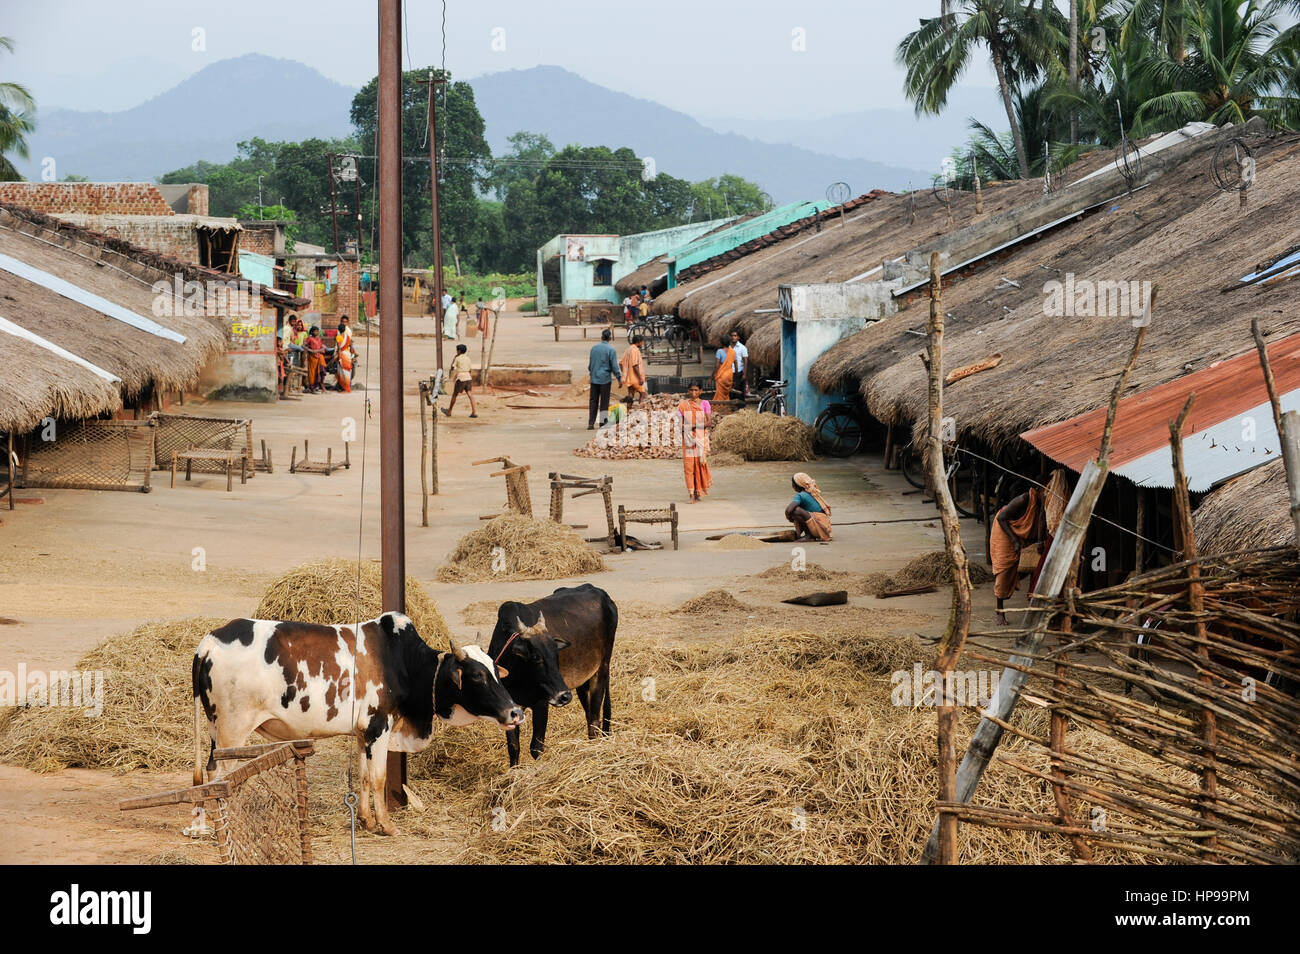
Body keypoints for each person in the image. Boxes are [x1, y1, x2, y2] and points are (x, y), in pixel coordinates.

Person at [991, 483, 1046, 624]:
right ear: (1038, 489)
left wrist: (1039, 542)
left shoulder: (1044, 504)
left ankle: (1032, 603)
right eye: (1045, 491)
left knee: (1030, 567)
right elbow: (1001, 518)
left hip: (1020, 533)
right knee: (1004, 568)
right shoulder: (1024, 499)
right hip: (1004, 530)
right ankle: (1000, 612)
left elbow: (1041, 522)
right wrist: (1014, 540)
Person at [677, 383, 713, 502]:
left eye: (696, 390)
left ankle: (698, 492)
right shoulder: (683, 405)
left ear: (700, 391)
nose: (693, 393)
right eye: (691, 390)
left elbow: (708, 423)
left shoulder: (705, 404)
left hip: (701, 439)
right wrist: (688, 428)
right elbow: (679, 424)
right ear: (688, 391)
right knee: (689, 467)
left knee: (699, 465)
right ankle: (691, 494)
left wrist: (693, 426)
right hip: (688, 440)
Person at [587, 328, 622, 429]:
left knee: (593, 401)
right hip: (605, 380)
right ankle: (602, 422)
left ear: (601, 337)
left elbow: (590, 365)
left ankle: (591, 423)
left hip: (594, 379)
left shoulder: (594, 348)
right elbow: (615, 366)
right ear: (610, 338)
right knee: (604, 401)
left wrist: (593, 373)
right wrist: (619, 378)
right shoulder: (611, 350)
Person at [786, 473, 832, 541]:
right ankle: (807, 535)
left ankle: (809, 535)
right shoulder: (813, 492)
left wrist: (789, 517)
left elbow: (789, 510)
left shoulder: (801, 495)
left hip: (819, 527)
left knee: (795, 510)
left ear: (795, 485)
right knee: (798, 510)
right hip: (825, 528)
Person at [442, 343, 478, 418]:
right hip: (468, 377)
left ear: (459, 351)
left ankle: (449, 411)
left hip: (461, 378)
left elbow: (452, 368)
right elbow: (469, 369)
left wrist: (454, 359)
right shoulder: (468, 358)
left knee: (455, 395)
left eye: (457, 350)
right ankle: (474, 412)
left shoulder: (457, 358)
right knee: (470, 395)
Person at [620, 334, 648, 405]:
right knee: (643, 394)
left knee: (630, 395)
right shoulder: (635, 350)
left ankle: (628, 412)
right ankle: (640, 410)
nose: (642, 343)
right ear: (638, 342)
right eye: (641, 342)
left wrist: (624, 374)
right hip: (635, 378)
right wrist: (640, 378)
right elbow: (635, 365)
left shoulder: (628, 350)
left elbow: (621, 363)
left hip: (628, 379)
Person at [332, 315, 354, 393]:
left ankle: (345, 388)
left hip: (342, 355)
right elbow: (350, 344)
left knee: (342, 373)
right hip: (347, 354)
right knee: (346, 373)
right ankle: (345, 387)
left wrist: (338, 356)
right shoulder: (347, 336)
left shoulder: (339, 336)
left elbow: (338, 348)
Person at [713, 336, 737, 402]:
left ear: (721, 343)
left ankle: (720, 408)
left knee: (720, 394)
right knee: (726, 393)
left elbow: (717, 365)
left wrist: (712, 376)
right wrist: (734, 378)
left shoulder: (719, 351)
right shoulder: (733, 352)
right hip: (729, 376)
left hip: (721, 376)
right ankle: (726, 408)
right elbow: (736, 366)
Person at [727, 330, 750, 396]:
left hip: (739, 372)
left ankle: (740, 406)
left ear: (738, 337)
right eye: (732, 336)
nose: (733, 337)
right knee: (730, 391)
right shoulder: (728, 347)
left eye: (735, 336)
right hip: (729, 372)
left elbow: (745, 361)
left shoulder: (742, 348)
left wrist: (744, 374)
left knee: (739, 391)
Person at [305, 326, 326, 392]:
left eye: (317, 331)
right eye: (314, 331)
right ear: (312, 332)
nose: (316, 332)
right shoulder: (309, 339)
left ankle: (318, 386)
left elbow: (322, 346)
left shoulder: (319, 339)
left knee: (319, 371)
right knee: (312, 372)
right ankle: (312, 387)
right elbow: (303, 346)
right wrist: (311, 350)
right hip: (312, 357)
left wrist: (320, 350)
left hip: (319, 356)